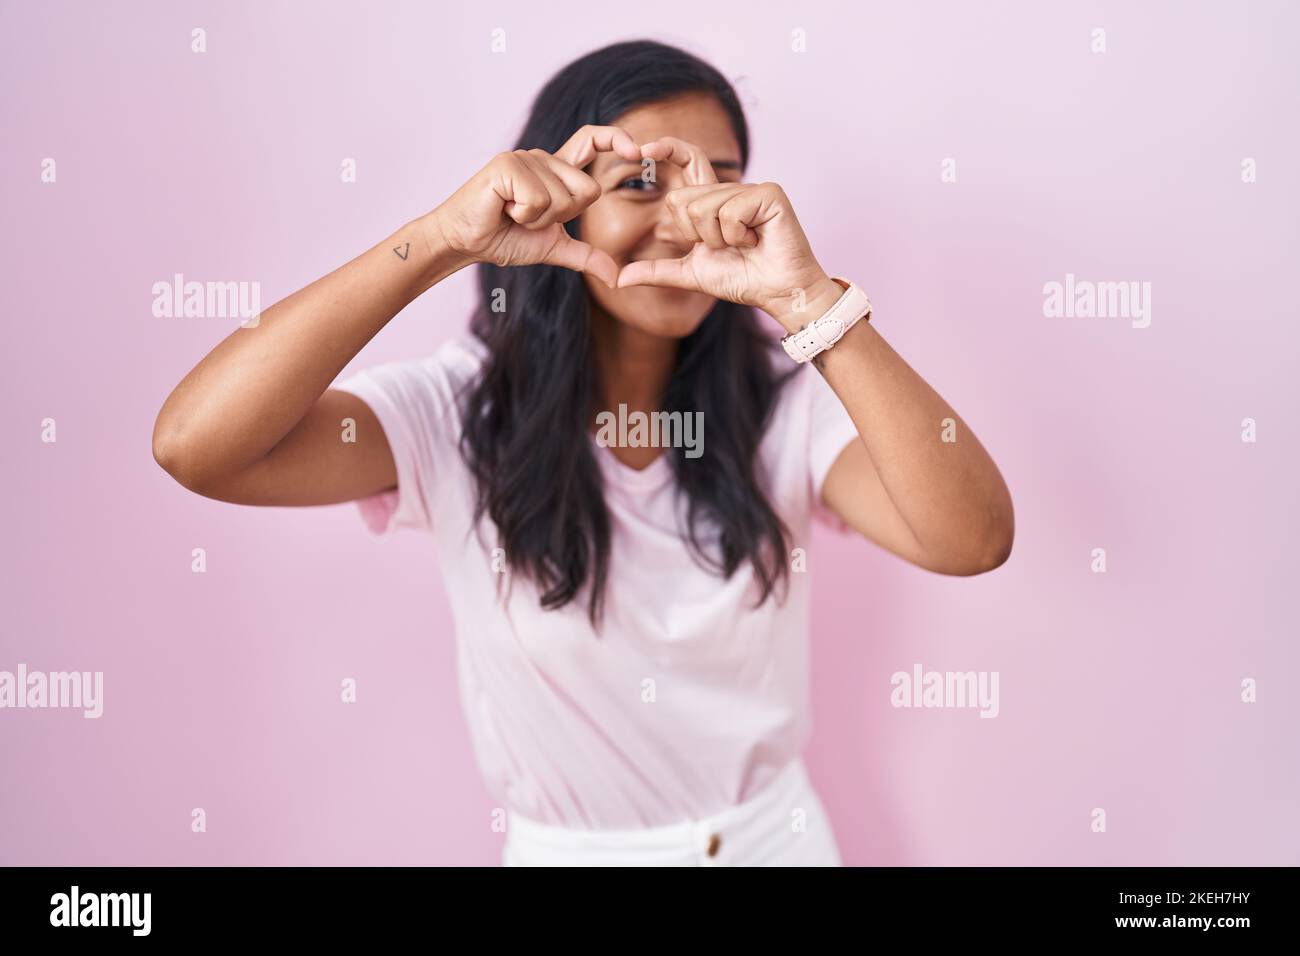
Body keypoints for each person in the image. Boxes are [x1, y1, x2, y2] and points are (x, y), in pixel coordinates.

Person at [152, 39, 1015, 866]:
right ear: (554, 196)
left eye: (719, 180)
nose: (688, 219)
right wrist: (446, 237)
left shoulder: (789, 410)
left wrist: (810, 303)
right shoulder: (452, 416)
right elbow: (199, 446)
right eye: (641, 181)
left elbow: (971, 540)